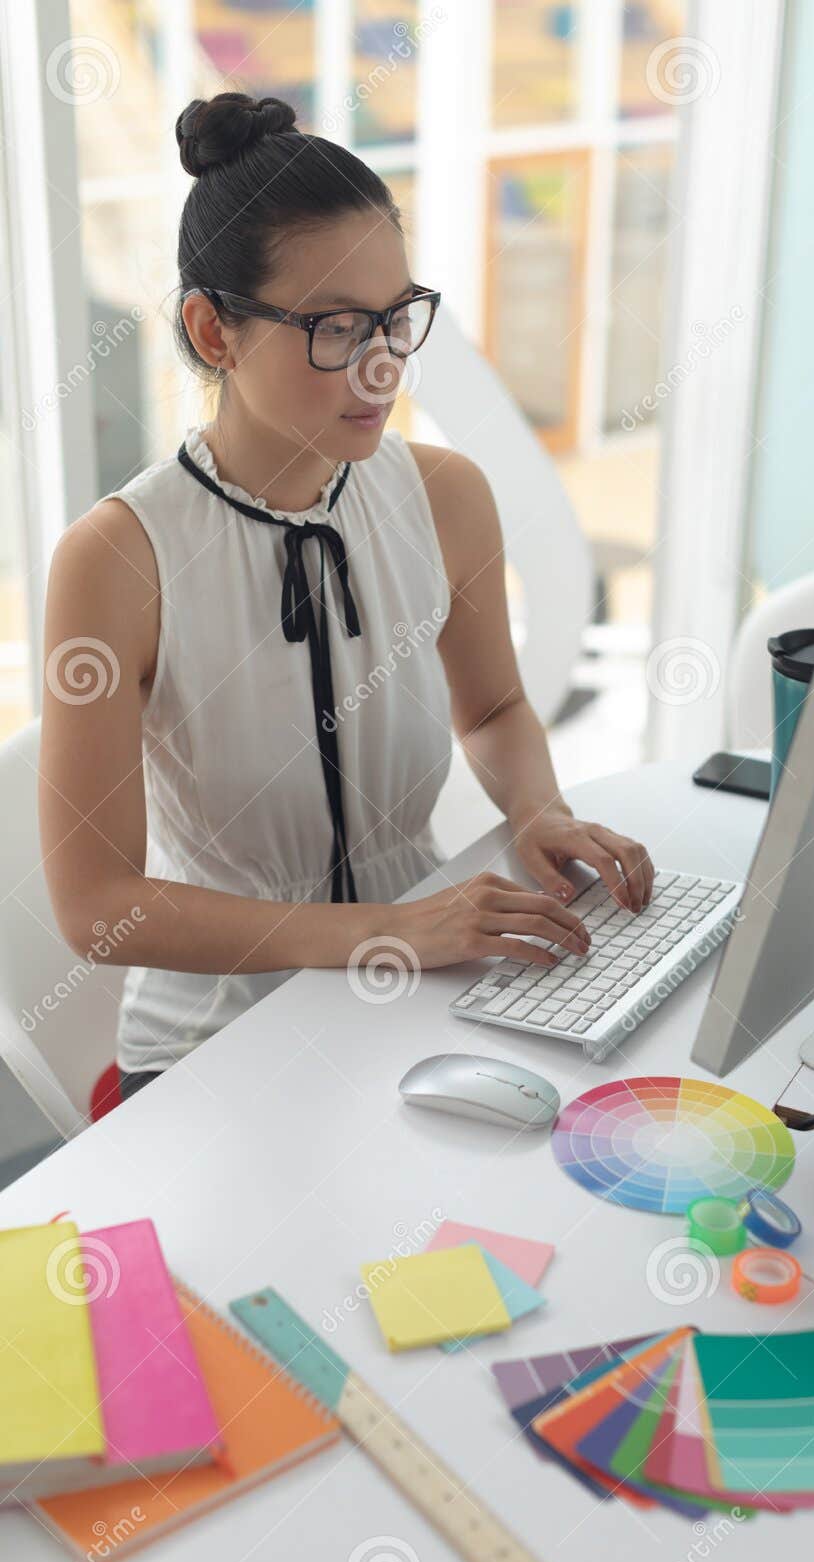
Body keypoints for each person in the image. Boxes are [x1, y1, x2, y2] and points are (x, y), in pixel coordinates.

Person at [39, 91, 653, 1106]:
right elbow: (96, 906)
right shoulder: (118, 560)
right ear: (213, 330)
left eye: (393, 318)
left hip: (421, 994)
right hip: (214, 1046)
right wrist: (385, 930)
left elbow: (494, 711)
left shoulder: (443, 497)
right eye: (332, 326)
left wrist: (537, 808)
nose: (379, 364)